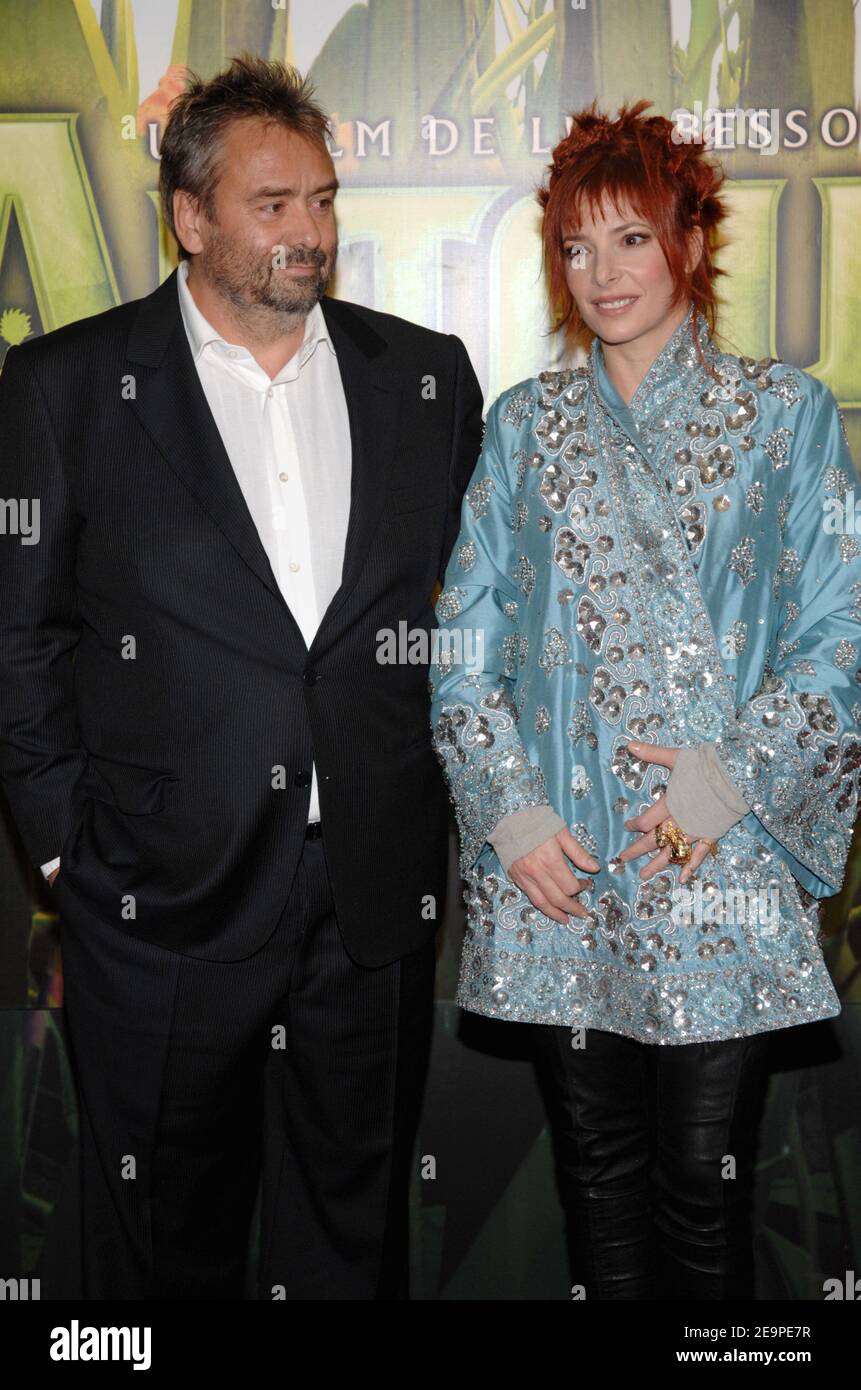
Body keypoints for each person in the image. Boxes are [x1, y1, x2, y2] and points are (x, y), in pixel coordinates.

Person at [0, 54, 483, 1299]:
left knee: (351, 1238)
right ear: (191, 216)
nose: (309, 232)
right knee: (161, 1244)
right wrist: (66, 853)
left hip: (370, 899)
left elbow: (477, 622)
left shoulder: (423, 380)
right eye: (273, 206)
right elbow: (20, 637)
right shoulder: (68, 389)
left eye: (323, 200)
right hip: (159, 901)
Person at [429, 99, 861, 1300]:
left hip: (716, 863)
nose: (602, 272)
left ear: (690, 238)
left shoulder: (786, 418)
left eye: (630, 238)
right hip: (563, 871)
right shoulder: (526, 428)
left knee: (701, 1193)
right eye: (576, 244)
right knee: (599, 1192)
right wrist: (509, 816)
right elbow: (462, 651)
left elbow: (843, 635)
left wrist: (724, 784)